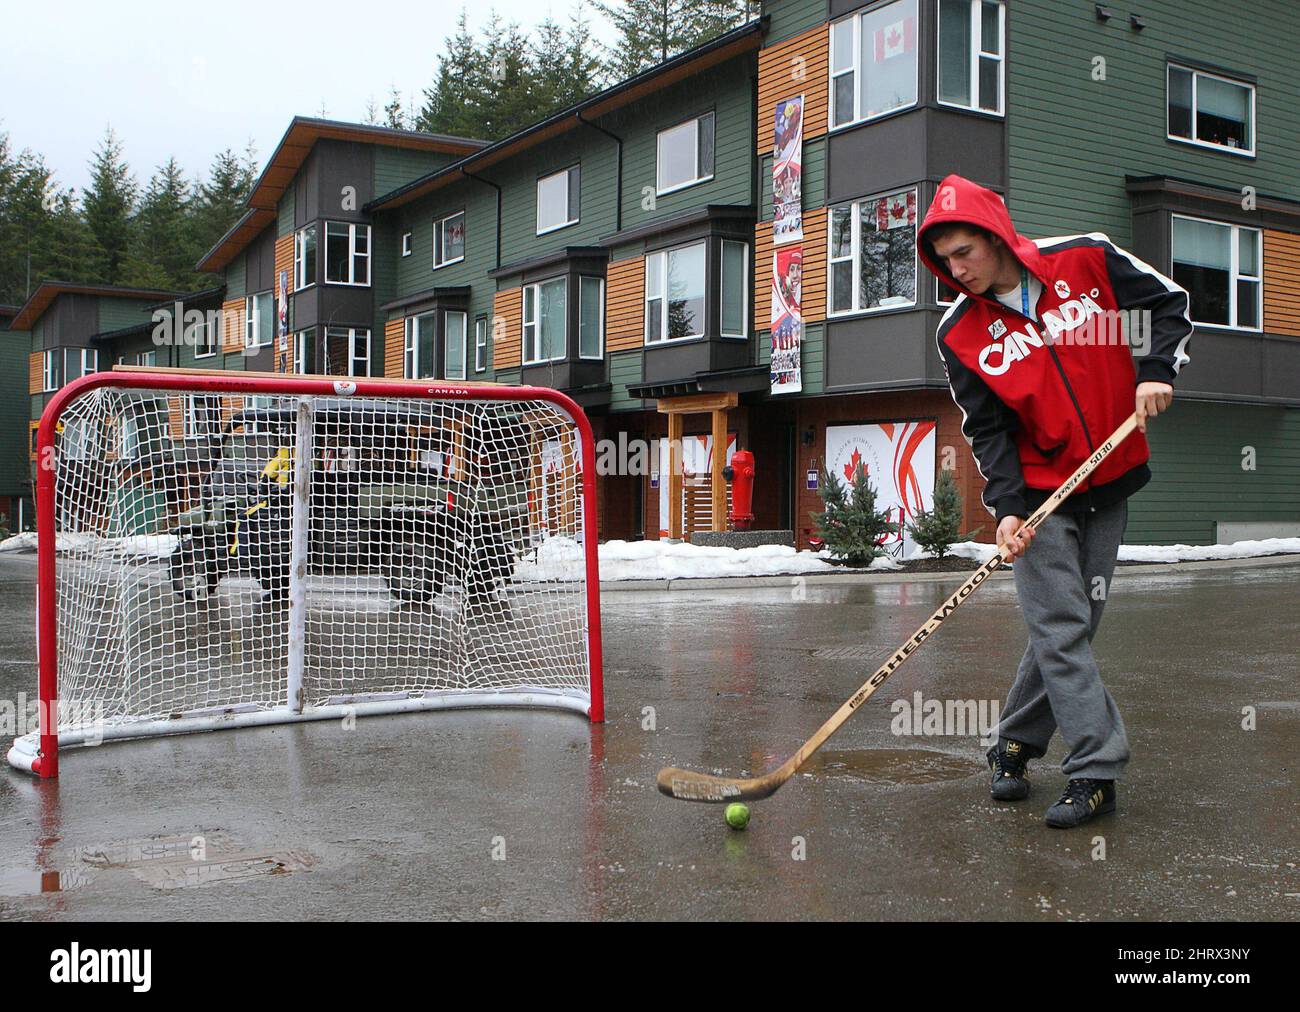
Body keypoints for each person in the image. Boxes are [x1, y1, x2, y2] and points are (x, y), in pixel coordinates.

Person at [916, 174, 1193, 828]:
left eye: (966, 253)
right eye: (945, 260)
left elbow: (1169, 304)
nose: (957, 270)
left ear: (997, 236)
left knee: (1072, 627)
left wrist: (1155, 371)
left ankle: (1013, 741)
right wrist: (1007, 507)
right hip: (1042, 496)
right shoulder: (961, 333)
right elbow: (988, 429)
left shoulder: (1086, 260)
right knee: (1060, 626)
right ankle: (1096, 770)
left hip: (1112, 475)